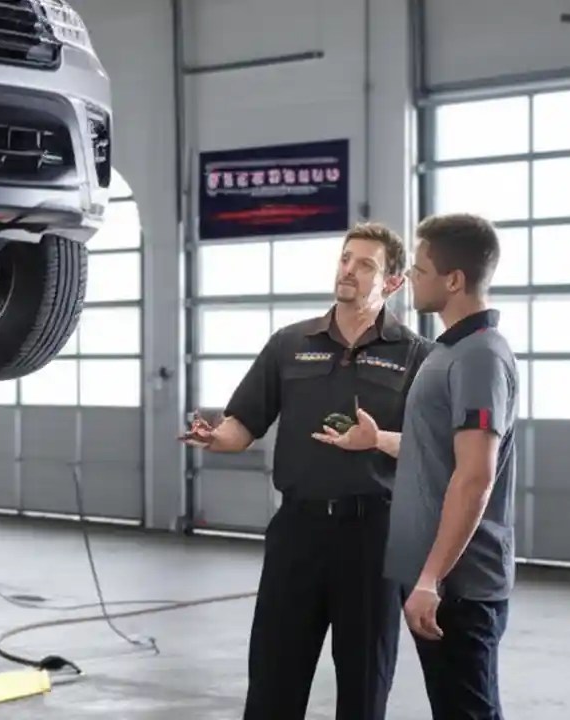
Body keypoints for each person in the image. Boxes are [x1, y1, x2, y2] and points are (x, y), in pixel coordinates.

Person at [180, 222, 433, 720]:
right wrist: (216, 437)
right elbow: (243, 424)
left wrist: (377, 440)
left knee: (365, 684)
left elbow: (432, 450)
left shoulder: (416, 355)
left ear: (393, 282)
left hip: (373, 538)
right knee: (273, 678)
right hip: (298, 531)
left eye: (365, 265)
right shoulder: (290, 344)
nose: (349, 270)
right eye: (345, 258)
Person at [337, 212, 517, 719]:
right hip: (438, 581)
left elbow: (475, 477)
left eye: (418, 270)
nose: (411, 279)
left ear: (453, 280)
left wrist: (430, 580)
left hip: (458, 586)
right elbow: (441, 451)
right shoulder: (450, 351)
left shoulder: (479, 357)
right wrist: (379, 440)